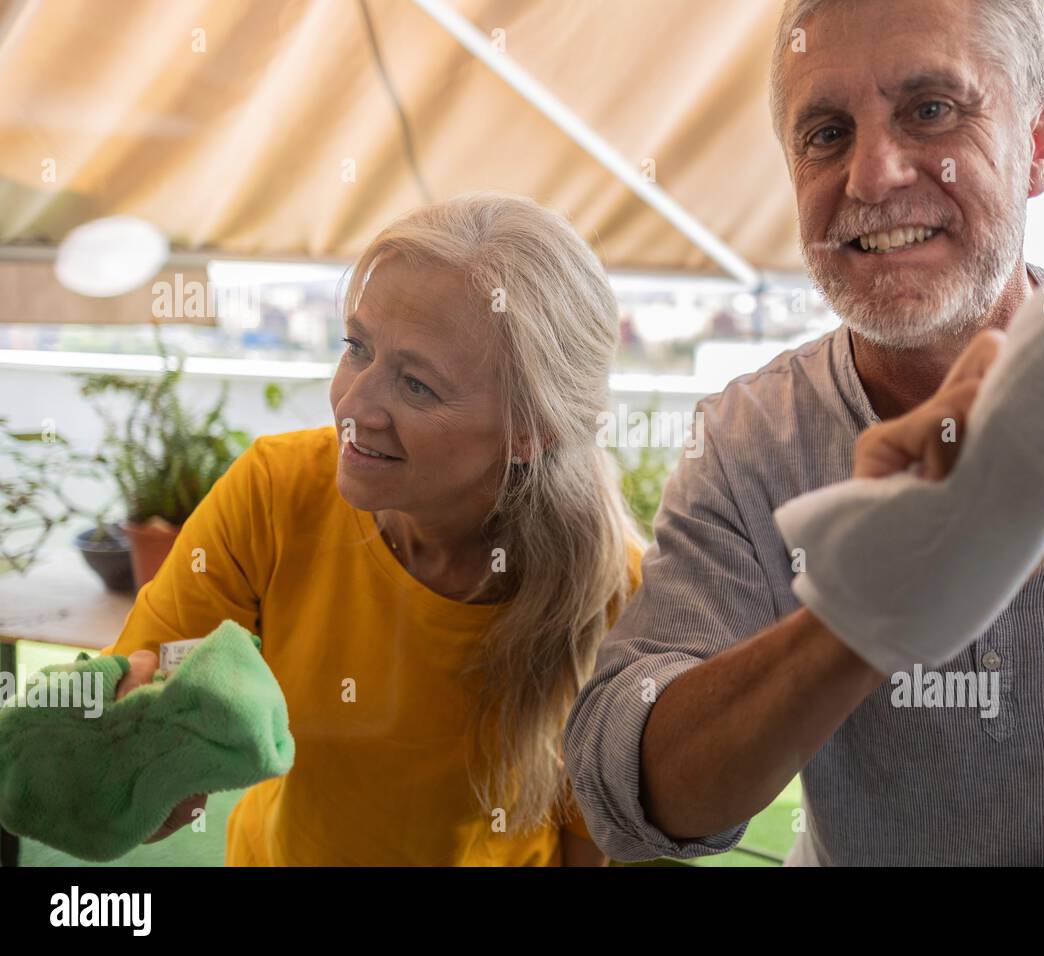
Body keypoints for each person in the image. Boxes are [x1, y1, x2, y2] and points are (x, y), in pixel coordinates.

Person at [563, 0, 1044, 866]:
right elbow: (626, 784)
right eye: (827, 133)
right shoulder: (746, 440)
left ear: (1039, 142)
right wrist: (865, 610)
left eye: (931, 109)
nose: (872, 175)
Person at [107, 192, 644, 866]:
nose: (353, 407)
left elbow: (585, 836)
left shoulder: (613, 585)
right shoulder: (274, 492)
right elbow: (135, 751)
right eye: (356, 347)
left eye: (417, 385)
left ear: (530, 432)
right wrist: (146, 765)